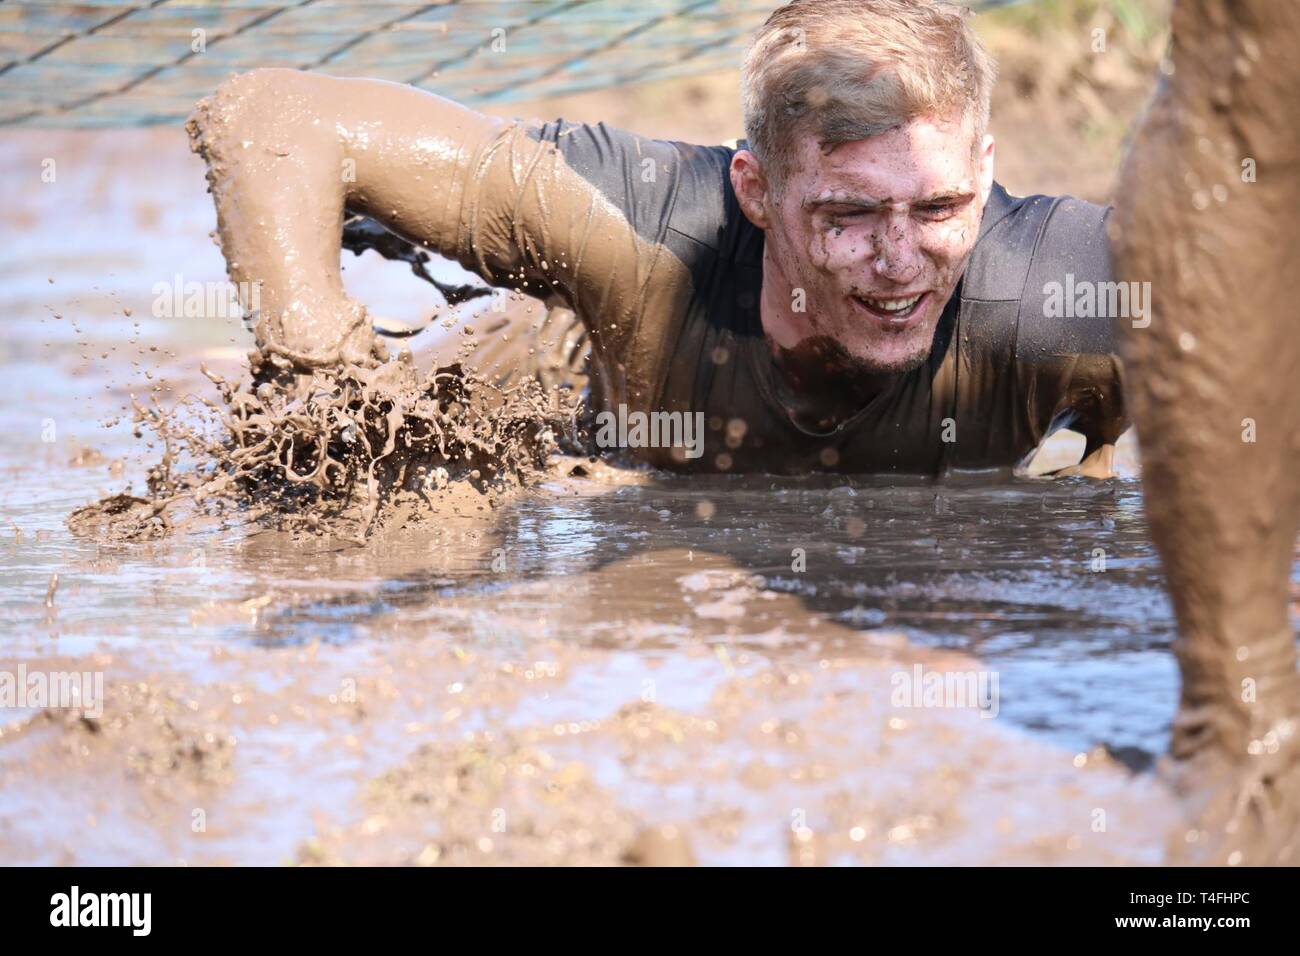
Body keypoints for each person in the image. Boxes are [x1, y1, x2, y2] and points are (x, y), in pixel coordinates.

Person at [187, 0, 1127, 477]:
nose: (898, 261)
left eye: (937, 209)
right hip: (564, 370)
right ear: (753, 189)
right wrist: (320, 379)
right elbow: (274, 115)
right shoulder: (639, 227)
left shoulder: (1059, 294)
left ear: (985, 166)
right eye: (846, 215)